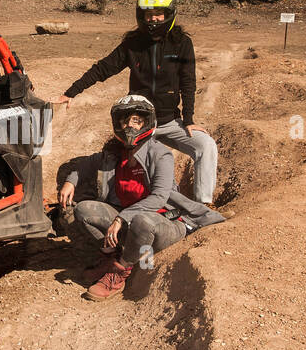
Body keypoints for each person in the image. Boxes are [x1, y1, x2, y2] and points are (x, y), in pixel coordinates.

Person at [50, 0, 219, 206]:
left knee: (206, 145)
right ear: (141, 16)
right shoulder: (133, 44)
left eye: (159, 14)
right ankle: (114, 203)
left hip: (169, 121)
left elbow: (188, 82)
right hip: (138, 123)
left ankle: (203, 204)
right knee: (126, 161)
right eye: (149, 15)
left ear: (169, 15)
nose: (154, 20)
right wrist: (70, 92)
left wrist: (189, 120)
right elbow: (103, 68)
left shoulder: (182, 43)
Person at [58, 94, 224, 301]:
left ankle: (120, 271)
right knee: (84, 209)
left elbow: (160, 197)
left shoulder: (159, 154)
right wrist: (70, 181)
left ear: (147, 123)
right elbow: (86, 164)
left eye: (136, 121)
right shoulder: (113, 153)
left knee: (141, 220)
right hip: (129, 222)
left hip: (163, 221)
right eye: (125, 120)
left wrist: (121, 218)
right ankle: (111, 258)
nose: (130, 126)